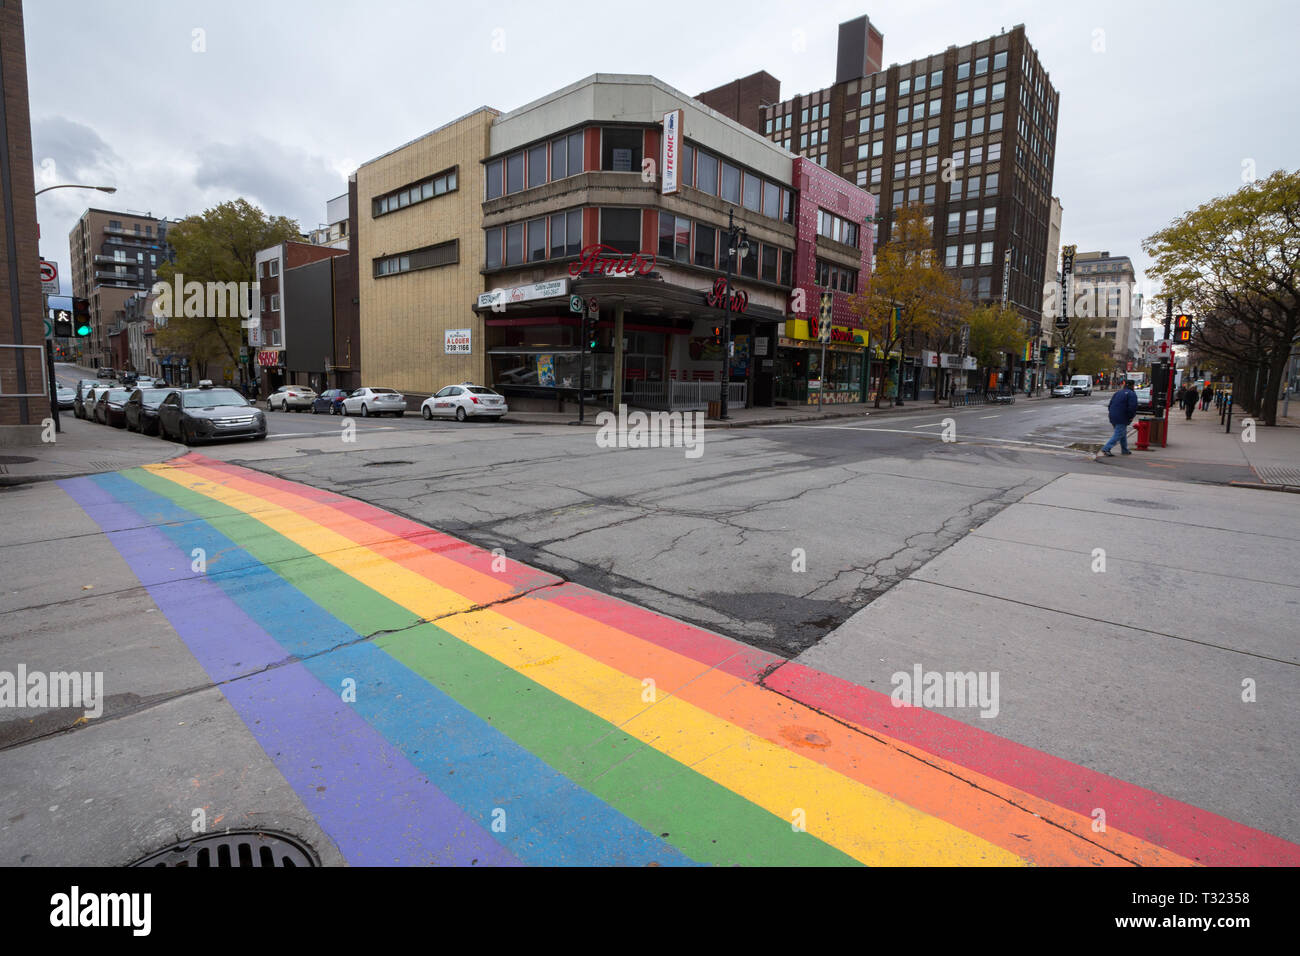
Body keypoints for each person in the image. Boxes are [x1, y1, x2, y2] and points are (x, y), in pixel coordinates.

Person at [1096, 380, 1138, 458]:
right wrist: (1130, 416)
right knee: (1119, 433)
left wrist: (1112, 413)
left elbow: (1110, 404)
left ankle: (1124, 449)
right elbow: (1132, 407)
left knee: (1122, 432)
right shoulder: (1131, 394)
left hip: (1113, 415)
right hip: (1122, 416)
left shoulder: (1118, 393)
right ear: (1132, 386)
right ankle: (1106, 449)